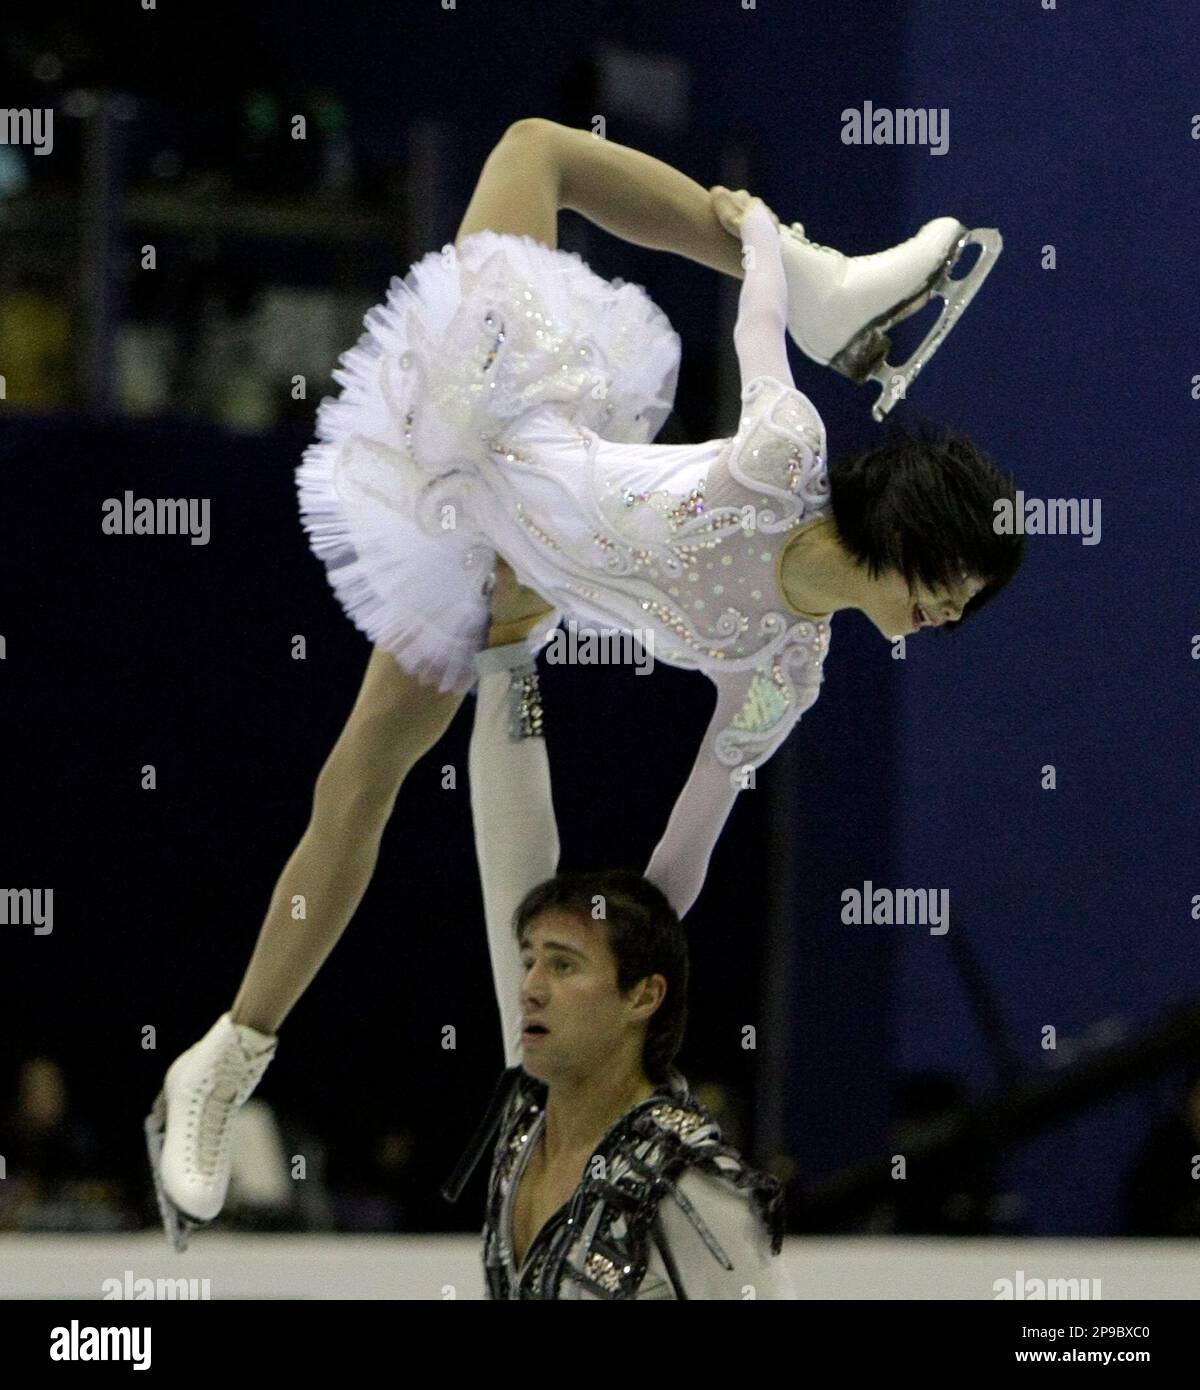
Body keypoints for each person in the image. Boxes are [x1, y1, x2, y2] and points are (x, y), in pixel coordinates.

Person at [146, 118, 1021, 1246]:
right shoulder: (784, 459)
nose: (952, 614)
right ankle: (228, 1060)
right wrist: (765, 247)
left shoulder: (787, 667)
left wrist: (618, 956)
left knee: (382, 765)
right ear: (918, 526)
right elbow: (757, 335)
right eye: (956, 582)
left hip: (506, 571)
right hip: (506, 414)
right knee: (534, 152)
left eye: (967, 607)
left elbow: (688, 842)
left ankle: (266, 1058)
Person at [440, 597, 795, 1298]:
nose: (529, 986)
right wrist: (509, 652)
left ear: (643, 995)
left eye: (564, 966)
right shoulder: (529, 1112)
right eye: (531, 960)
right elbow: (509, 831)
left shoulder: (691, 1186)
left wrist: (513, 654)